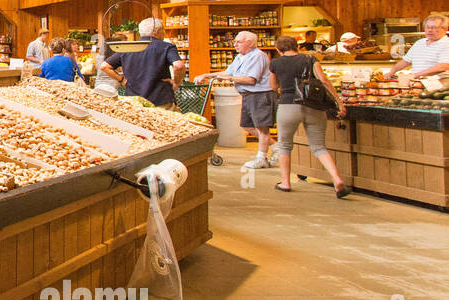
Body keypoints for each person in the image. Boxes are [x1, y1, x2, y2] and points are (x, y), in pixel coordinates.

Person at [269, 35, 350, 197]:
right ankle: (336, 180)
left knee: (284, 145)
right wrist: (339, 102)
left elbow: (273, 86)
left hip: (288, 106)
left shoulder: (275, 63)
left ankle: (285, 182)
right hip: (313, 106)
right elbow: (324, 81)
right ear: (297, 47)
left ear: (279, 49)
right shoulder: (310, 59)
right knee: (319, 146)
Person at [194, 30, 275, 170]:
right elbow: (227, 73)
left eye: (239, 42)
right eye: (235, 41)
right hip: (247, 95)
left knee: (262, 128)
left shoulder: (257, 56)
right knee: (247, 125)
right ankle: (276, 147)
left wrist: (228, 78)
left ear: (250, 43)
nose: (235, 44)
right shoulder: (239, 57)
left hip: (260, 95)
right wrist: (206, 75)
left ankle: (261, 158)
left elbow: (250, 79)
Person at [100, 18, 187, 109]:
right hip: (160, 100)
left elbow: (104, 66)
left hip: (134, 101)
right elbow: (179, 66)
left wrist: (121, 80)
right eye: (163, 30)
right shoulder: (166, 47)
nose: (163, 33)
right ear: (156, 31)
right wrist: (176, 83)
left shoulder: (128, 47)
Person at [385, 14, 449, 80]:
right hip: (418, 82)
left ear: (445, 29)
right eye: (427, 27)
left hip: (438, 84)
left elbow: (444, 66)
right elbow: (406, 61)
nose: (430, 30)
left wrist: (417, 75)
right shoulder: (419, 43)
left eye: (434, 27)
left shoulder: (447, 44)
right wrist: (391, 72)